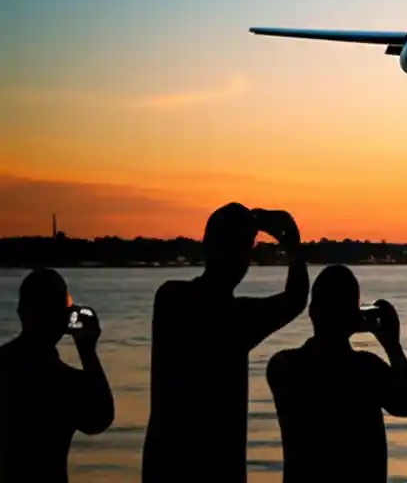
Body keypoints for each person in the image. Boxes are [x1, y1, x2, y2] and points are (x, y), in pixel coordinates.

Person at [142, 203, 309, 483]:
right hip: (219, 469)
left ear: (206, 246)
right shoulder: (237, 319)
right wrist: (292, 245)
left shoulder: (169, 299)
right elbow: (296, 298)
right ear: (244, 258)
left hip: (163, 465)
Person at [268, 265, 407, 482]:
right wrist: (392, 345)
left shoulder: (283, 366)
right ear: (354, 316)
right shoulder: (367, 369)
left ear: (312, 312)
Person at [0, 268, 114, 482]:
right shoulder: (65, 382)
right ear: (63, 319)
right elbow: (100, 419)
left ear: (20, 311)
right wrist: (87, 349)